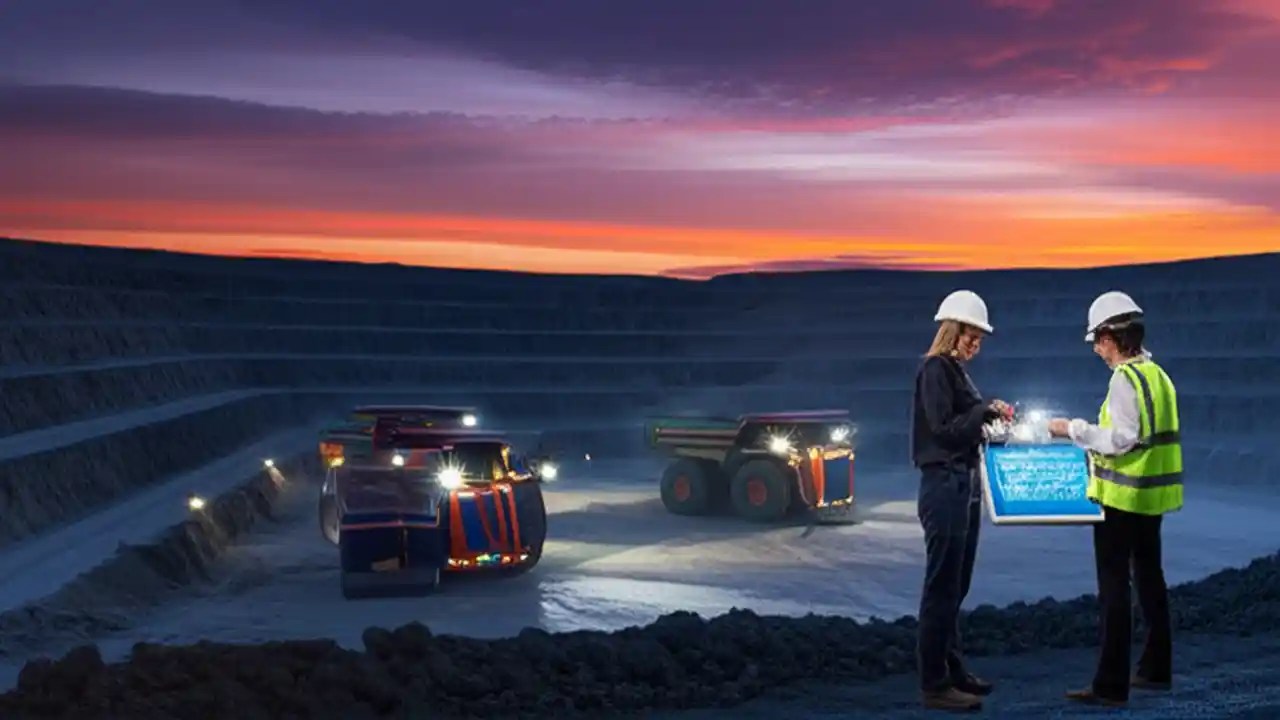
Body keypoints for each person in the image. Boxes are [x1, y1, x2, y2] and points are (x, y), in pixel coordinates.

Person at [1048, 290, 1182, 707]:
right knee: (1149, 579)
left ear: (1110, 335)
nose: (1096, 350)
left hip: (1121, 500)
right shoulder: (1157, 375)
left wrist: (1072, 429)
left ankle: (1110, 686)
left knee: (1114, 590)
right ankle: (1156, 670)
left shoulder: (1125, 379)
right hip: (1151, 499)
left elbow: (1122, 438)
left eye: (1097, 340)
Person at [911, 289, 1012, 711]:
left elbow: (964, 425)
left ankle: (953, 669)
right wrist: (982, 412)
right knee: (941, 586)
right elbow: (944, 429)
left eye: (980, 340)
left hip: (962, 484)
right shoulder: (936, 370)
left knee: (957, 584)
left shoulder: (954, 371)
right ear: (952, 331)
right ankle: (935, 683)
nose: (976, 345)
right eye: (971, 337)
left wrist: (988, 416)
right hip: (944, 485)